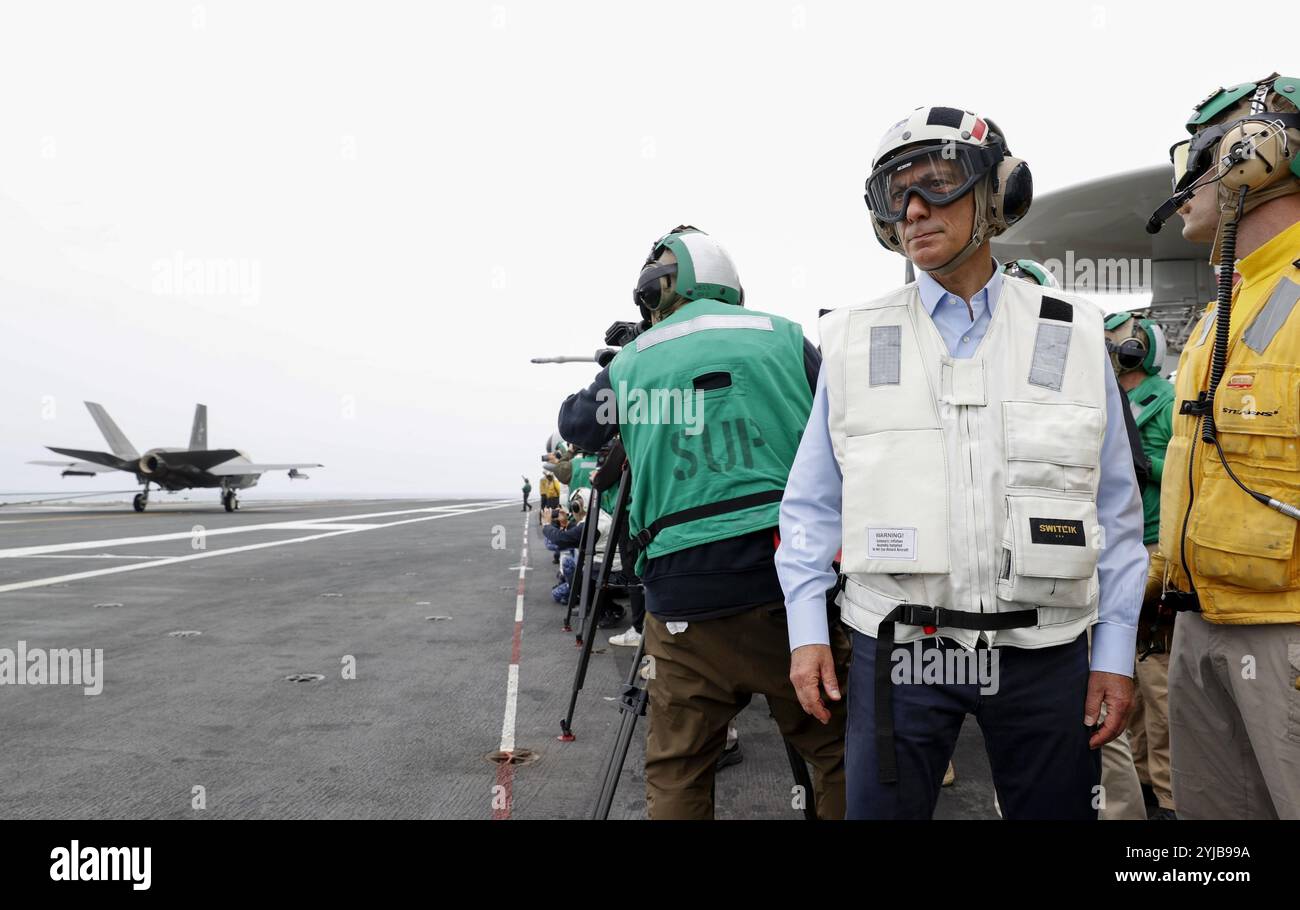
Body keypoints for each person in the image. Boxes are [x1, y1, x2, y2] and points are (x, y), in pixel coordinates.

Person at [778, 106, 1147, 820]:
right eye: (897, 194)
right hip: (900, 648)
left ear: (996, 195)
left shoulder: (1072, 334)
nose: (913, 209)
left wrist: (1116, 648)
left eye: (938, 184)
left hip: (1046, 649)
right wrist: (807, 634)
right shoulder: (852, 340)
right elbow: (811, 507)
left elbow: (1114, 513)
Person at [559, 225, 849, 819]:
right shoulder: (786, 337)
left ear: (658, 290)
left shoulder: (635, 361)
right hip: (791, 589)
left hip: (682, 593)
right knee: (839, 751)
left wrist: (624, 358)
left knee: (678, 768)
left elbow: (577, 428)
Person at [1146, 72, 1300, 819]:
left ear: (1256, 153)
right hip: (1201, 624)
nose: (1185, 183)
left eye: (1198, 156)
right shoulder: (1219, 314)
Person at [1102, 310, 1177, 819]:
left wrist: (1147, 466)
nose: (1111, 347)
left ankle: (1171, 794)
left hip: (1153, 548)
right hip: (1117, 548)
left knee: (1156, 679)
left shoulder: (1167, 399)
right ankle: (1145, 780)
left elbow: (1196, 464)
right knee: (1122, 672)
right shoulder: (1108, 396)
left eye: (1119, 340)